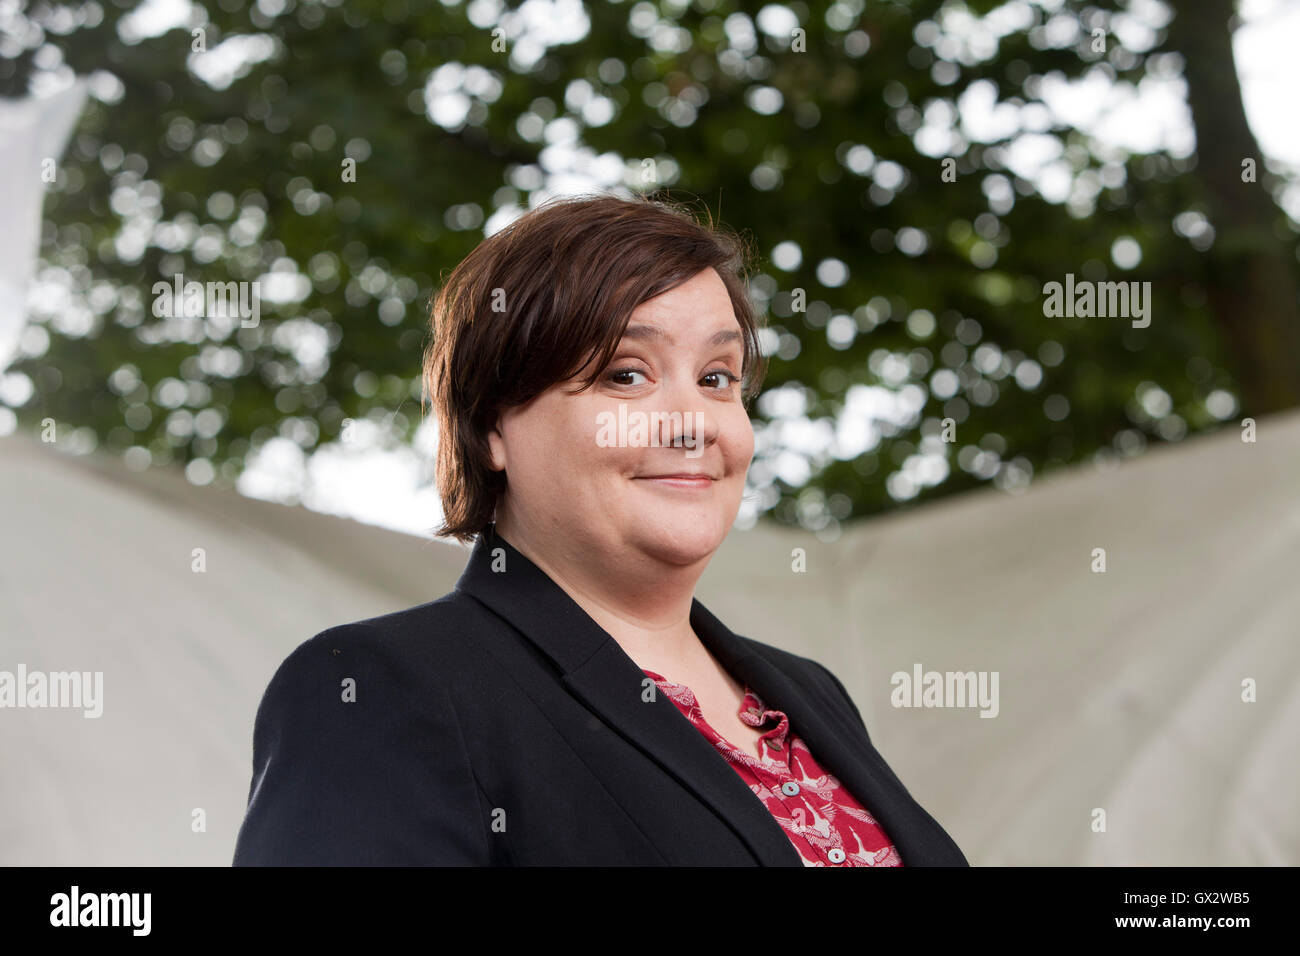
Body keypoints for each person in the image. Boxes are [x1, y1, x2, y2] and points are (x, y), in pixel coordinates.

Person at [232, 192, 968, 866]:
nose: (693, 425)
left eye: (718, 378)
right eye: (626, 374)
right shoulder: (380, 686)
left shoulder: (810, 694)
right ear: (493, 426)